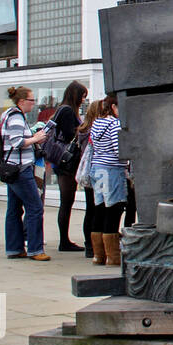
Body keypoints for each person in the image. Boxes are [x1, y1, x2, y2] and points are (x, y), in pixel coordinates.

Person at [1, 87, 52, 261]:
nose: (33, 104)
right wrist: (36, 138)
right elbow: (17, 142)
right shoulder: (16, 116)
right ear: (21, 101)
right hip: (21, 168)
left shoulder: (8, 114)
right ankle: (35, 249)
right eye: (31, 100)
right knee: (35, 207)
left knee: (14, 209)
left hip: (12, 168)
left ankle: (14, 248)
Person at [47, 81, 88, 252]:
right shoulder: (67, 111)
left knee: (67, 200)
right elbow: (71, 134)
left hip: (63, 161)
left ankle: (64, 240)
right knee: (67, 200)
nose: (84, 100)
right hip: (66, 162)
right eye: (83, 96)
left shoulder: (64, 109)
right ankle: (64, 241)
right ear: (76, 95)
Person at [89, 94, 127, 267]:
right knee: (114, 208)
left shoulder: (97, 122)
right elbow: (119, 149)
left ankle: (98, 255)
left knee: (100, 208)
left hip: (97, 168)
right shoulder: (114, 124)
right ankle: (113, 256)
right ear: (113, 107)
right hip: (112, 169)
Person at [77, 100, 104, 262]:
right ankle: (93, 246)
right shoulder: (94, 130)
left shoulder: (83, 130)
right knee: (97, 209)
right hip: (97, 173)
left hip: (87, 174)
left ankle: (90, 245)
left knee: (90, 209)